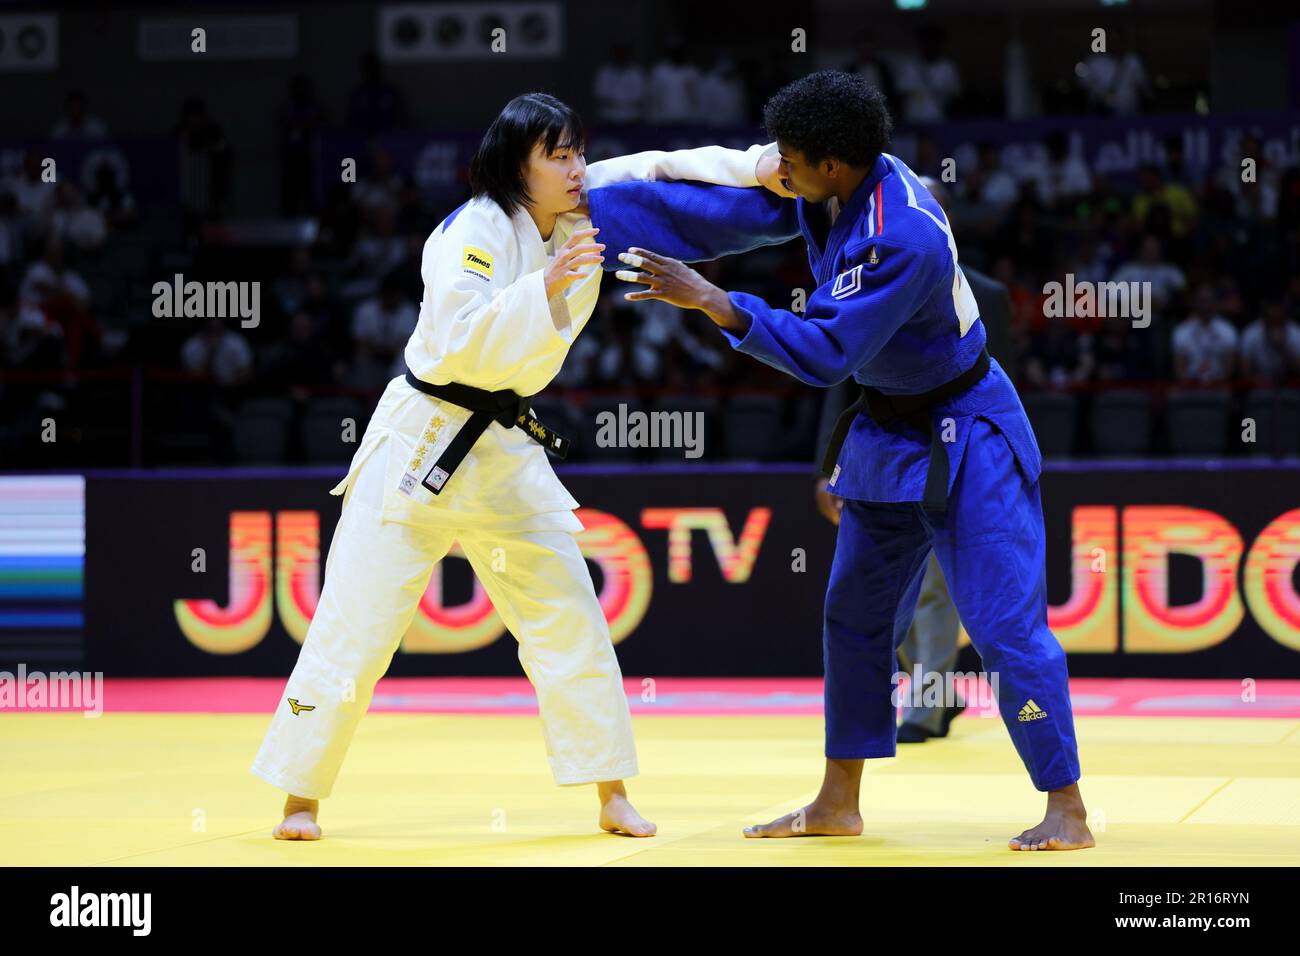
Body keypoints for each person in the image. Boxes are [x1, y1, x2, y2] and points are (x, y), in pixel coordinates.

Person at [251, 91, 785, 841]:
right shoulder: (469, 234)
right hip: (421, 442)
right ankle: (298, 798)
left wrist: (763, 166)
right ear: (514, 167)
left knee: (570, 618)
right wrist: (547, 286)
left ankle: (611, 794)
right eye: (557, 156)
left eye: (576, 152)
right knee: (355, 626)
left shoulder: (580, 213)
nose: (575, 168)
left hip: (503, 450)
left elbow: (666, 168)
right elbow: (464, 342)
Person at [589, 71, 1092, 850]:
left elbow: (826, 350)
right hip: (889, 431)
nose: (776, 166)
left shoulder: (902, 233)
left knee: (1002, 625)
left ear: (830, 163)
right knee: (854, 618)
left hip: (969, 430)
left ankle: (1067, 804)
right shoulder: (834, 186)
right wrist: (577, 213)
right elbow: (709, 198)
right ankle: (837, 799)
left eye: (788, 157)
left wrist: (715, 301)